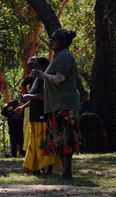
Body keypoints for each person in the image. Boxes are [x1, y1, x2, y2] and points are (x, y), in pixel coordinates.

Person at [31, 29, 83, 179]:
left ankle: (67, 172)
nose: (51, 41)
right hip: (56, 104)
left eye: (54, 39)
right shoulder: (58, 56)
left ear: (63, 42)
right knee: (59, 139)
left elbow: (60, 79)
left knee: (66, 138)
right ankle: (65, 171)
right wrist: (41, 76)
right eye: (51, 38)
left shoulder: (65, 56)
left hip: (65, 104)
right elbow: (52, 78)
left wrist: (43, 74)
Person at [15, 57, 61, 175]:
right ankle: (35, 166)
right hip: (34, 116)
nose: (33, 69)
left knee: (44, 141)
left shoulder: (47, 79)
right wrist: (23, 107)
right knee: (35, 142)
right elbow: (34, 97)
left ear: (44, 67)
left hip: (44, 115)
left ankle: (48, 167)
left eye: (36, 66)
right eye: (32, 67)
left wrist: (29, 96)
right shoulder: (36, 79)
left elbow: (43, 96)